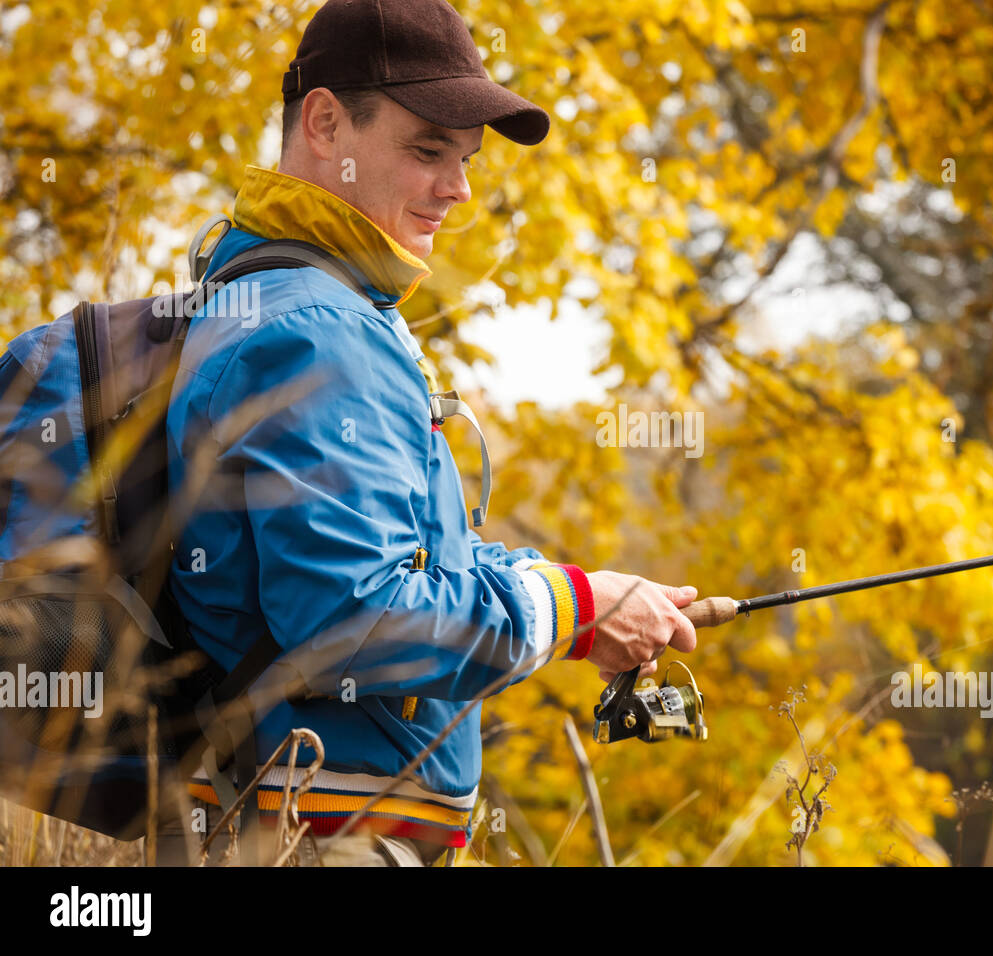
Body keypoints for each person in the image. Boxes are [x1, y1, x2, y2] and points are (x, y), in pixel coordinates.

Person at [158, 0, 697, 866]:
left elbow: (396, 562)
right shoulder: (316, 331)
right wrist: (568, 610)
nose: (459, 189)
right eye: (427, 151)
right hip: (311, 841)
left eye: (466, 159)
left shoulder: (270, 293)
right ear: (325, 124)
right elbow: (356, 619)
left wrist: (584, 606)